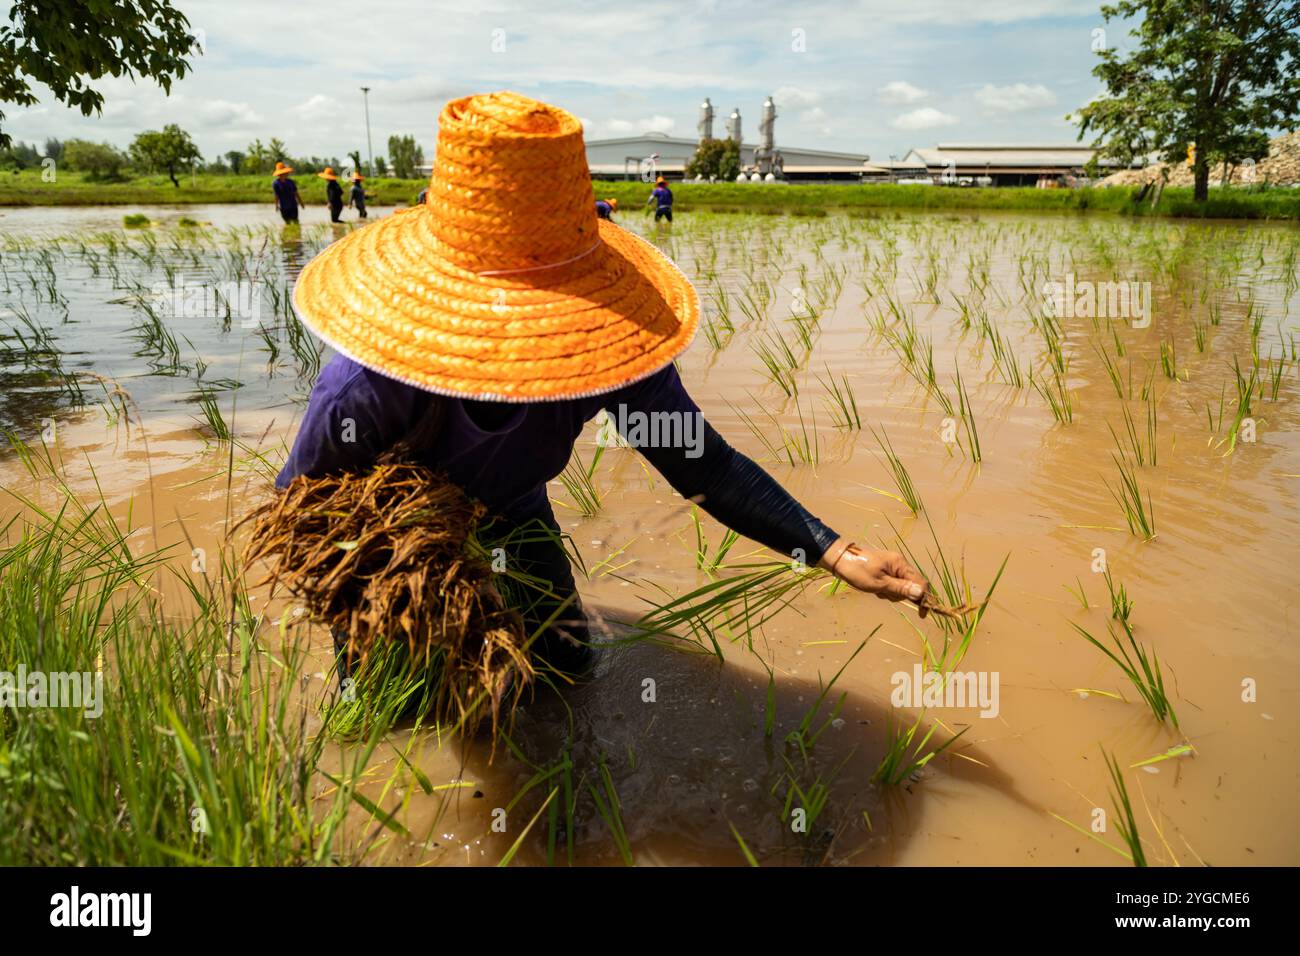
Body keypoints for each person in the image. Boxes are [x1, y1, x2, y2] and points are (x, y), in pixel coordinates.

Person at [278, 91, 929, 680]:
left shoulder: (606, 349)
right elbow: (306, 516)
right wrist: (397, 593)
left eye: (548, 312)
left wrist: (837, 552)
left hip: (514, 506)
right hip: (389, 537)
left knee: (565, 669)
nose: (525, 341)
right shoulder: (367, 383)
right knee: (393, 697)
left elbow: (704, 466)